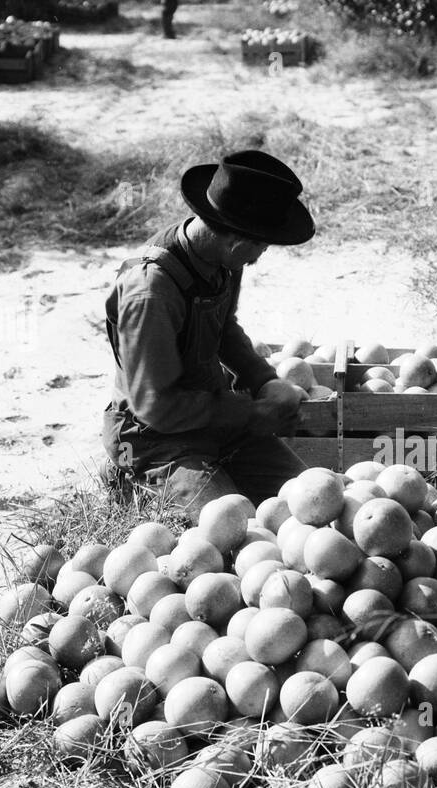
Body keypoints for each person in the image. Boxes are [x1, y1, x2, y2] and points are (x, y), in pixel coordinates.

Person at [102, 150, 315, 520]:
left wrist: (262, 379)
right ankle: (124, 472)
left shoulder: (222, 260)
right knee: (235, 531)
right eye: (262, 245)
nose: (261, 254)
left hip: (214, 420)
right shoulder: (151, 292)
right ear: (236, 240)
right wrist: (250, 413)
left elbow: (223, 328)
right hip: (153, 437)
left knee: (309, 501)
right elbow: (156, 406)